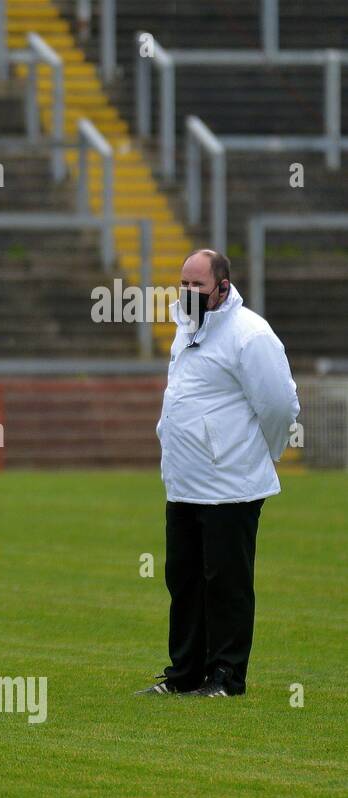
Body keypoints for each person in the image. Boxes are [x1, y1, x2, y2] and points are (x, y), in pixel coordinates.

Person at [137, 250, 299, 698]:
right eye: (183, 284)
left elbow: (280, 405)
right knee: (183, 579)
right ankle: (184, 674)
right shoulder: (185, 328)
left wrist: (258, 453)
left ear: (223, 287)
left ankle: (227, 677)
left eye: (197, 286)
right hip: (185, 482)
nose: (187, 293)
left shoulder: (250, 334)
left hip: (232, 485)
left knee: (226, 582)